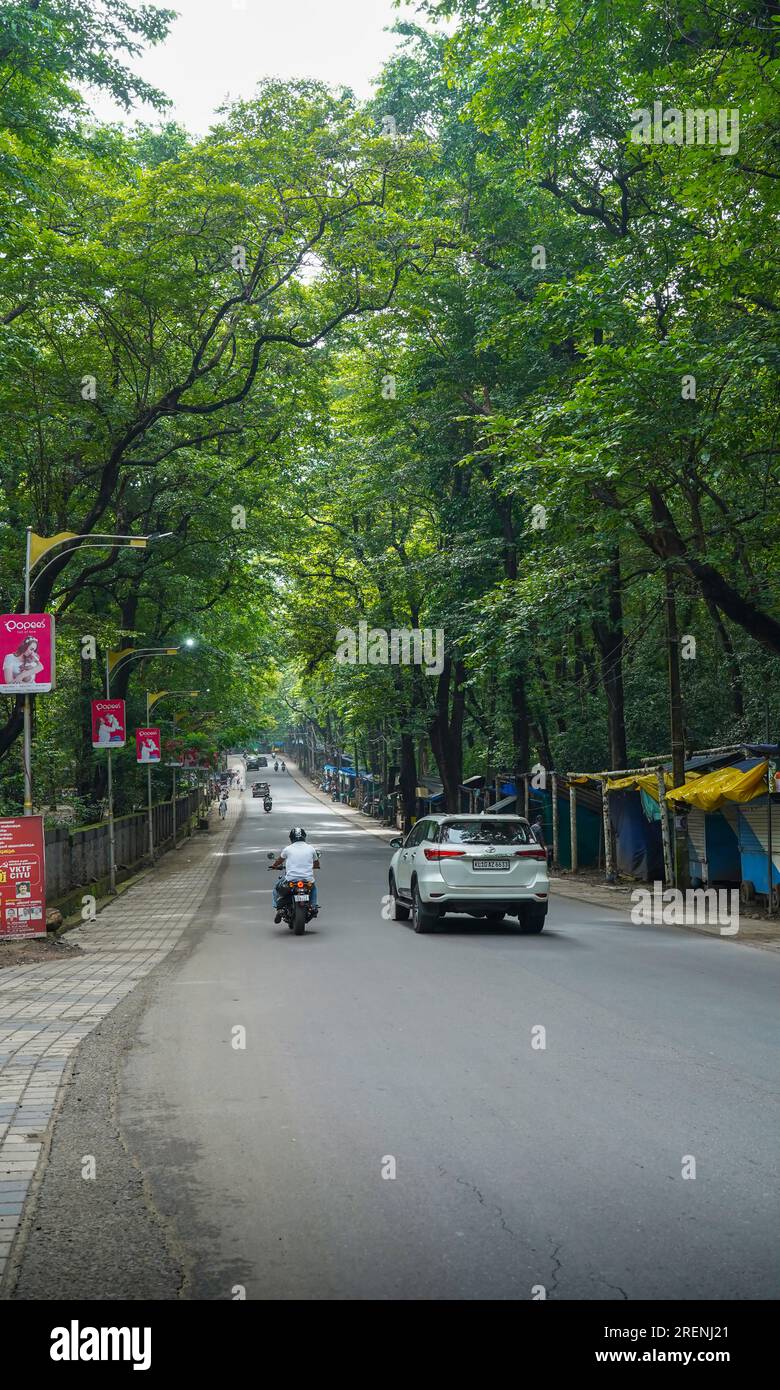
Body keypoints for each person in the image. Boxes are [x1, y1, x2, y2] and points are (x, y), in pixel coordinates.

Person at [271, 827, 320, 922]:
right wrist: (313, 866)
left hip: (291, 879)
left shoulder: (287, 849)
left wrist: (274, 866)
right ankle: (313, 906)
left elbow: (279, 861)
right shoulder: (311, 848)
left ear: (291, 838)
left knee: (276, 889)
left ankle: (279, 908)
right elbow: (317, 864)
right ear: (304, 837)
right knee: (313, 888)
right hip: (307, 880)